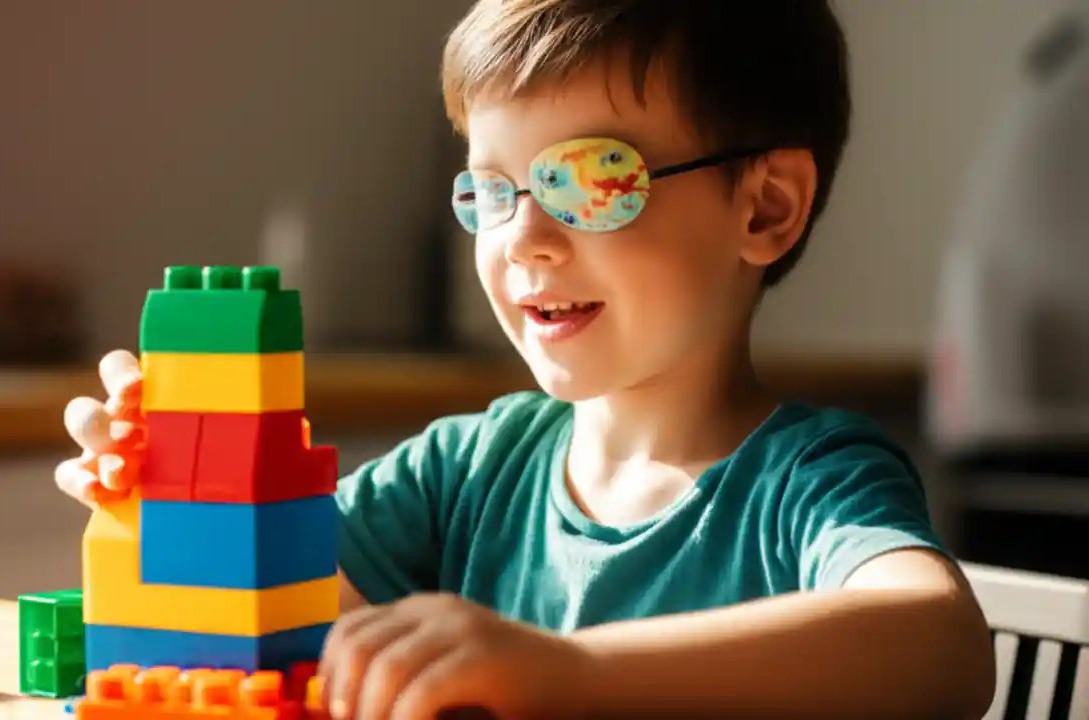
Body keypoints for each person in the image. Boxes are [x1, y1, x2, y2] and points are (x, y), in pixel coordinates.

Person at [57, 1, 996, 717]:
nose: (524, 239)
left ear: (765, 209)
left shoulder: (808, 482)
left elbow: (945, 649)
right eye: (493, 189)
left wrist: (575, 672)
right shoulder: (466, 469)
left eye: (591, 180)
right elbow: (285, 616)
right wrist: (177, 494)